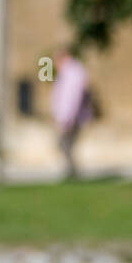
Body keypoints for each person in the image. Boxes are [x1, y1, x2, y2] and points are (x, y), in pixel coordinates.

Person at [50, 48, 94, 179]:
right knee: (65, 145)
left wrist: (66, 118)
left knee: (64, 144)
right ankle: (72, 171)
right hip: (69, 117)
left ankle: (72, 172)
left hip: (70, 118)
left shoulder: (72, 73)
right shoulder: (69, 72)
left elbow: (71, 98)